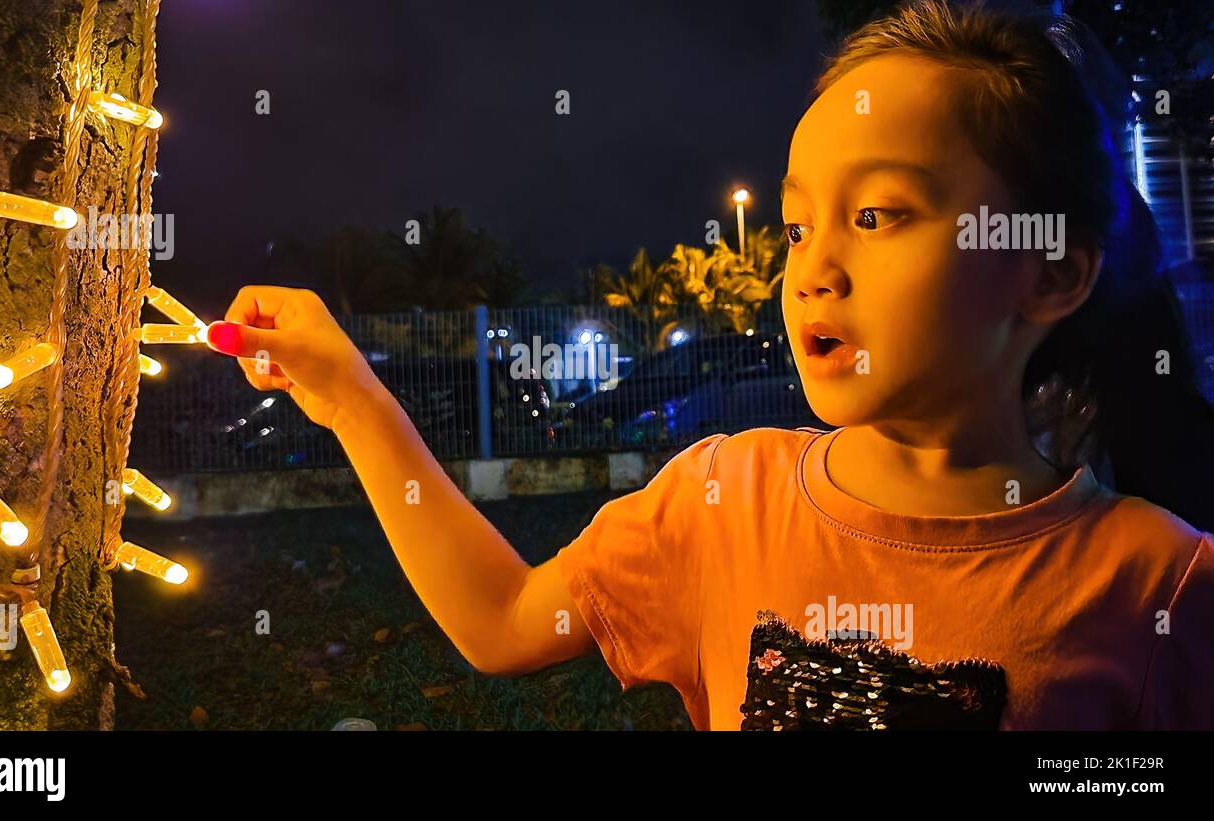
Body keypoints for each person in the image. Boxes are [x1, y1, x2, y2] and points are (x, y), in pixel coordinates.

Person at [205, 0, 1212, 729]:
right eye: (795, 223)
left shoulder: (1157, 578)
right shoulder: (721, 498)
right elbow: (502, 620)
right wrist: (353, 400)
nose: (812, 265)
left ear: (1048, 275)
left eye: (876, 214)